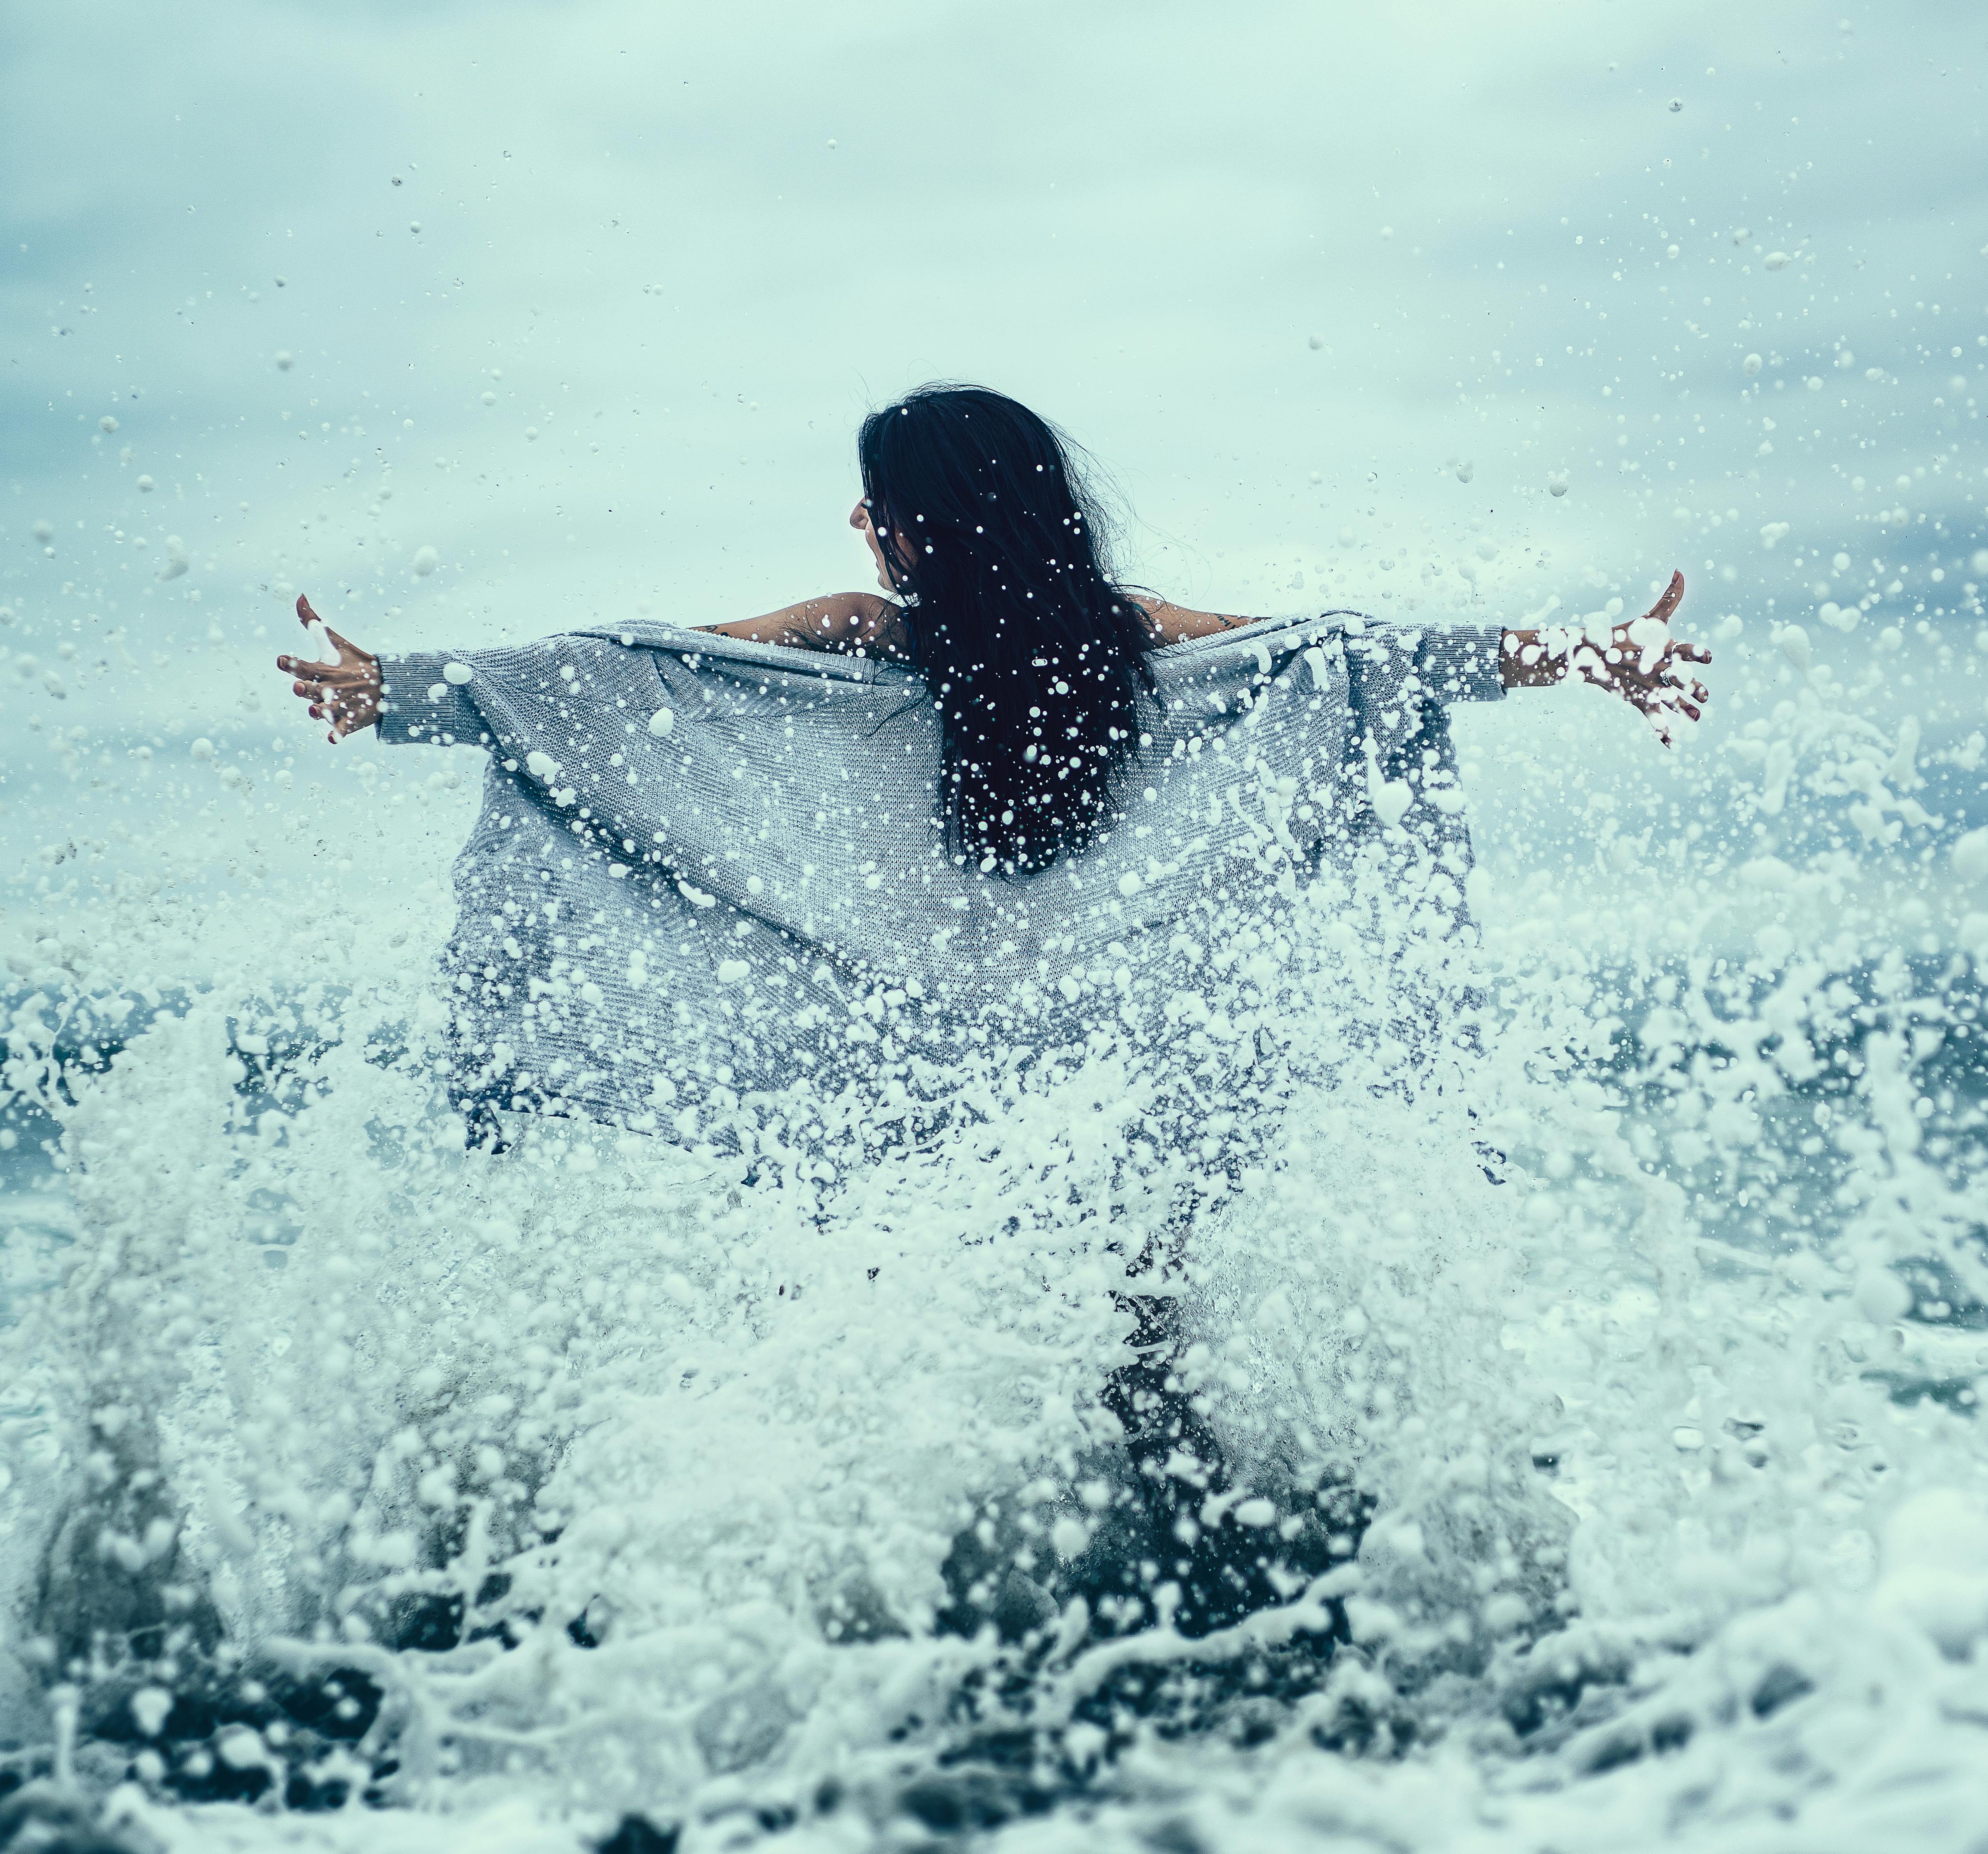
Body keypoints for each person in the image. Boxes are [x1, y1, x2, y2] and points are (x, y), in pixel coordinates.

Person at [276, 383, 1707, 1636]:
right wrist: (1587, 656)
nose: (862, 532)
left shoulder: (871, 635)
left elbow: (632, 677)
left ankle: (874, 1585)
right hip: (1110, 1060)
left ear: (920, 525)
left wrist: (405, 689)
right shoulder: (1121, 632)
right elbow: (1349, 656)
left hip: (931, 1066)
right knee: (1141, 1343)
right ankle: (1201, 1588)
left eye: (875, 508)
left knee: (877, 1308)